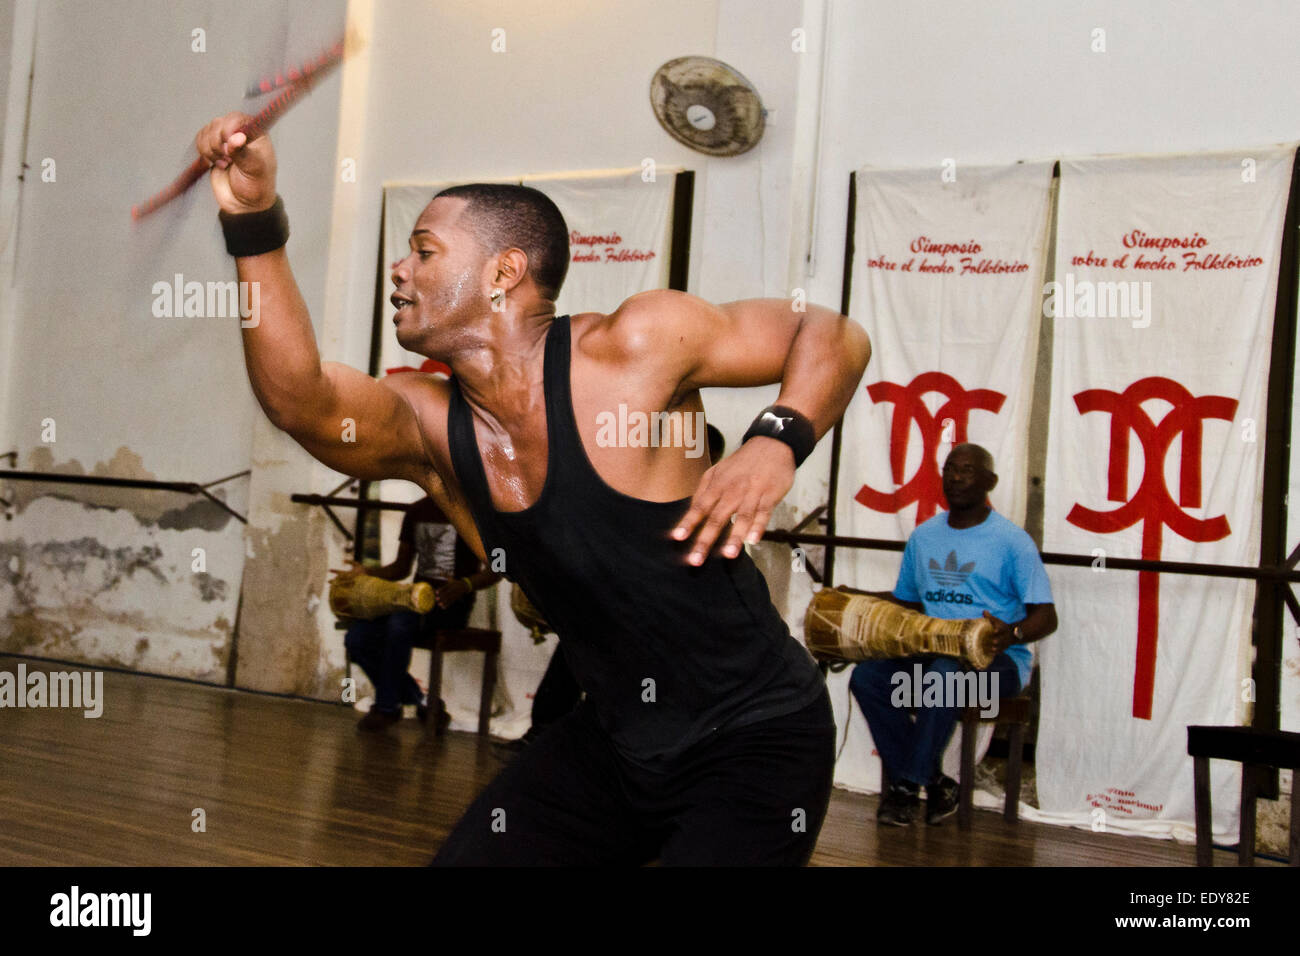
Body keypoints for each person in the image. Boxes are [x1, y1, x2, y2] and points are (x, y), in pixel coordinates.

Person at [193, 113, 871, 865]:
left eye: (423, 251)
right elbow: (299, 401)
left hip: (755, 742)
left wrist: (776, 442)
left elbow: (832, 334)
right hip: (614, 740)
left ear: (502, 273)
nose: (400, 269)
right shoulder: (427, 425)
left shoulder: (634, 348)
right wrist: (253, 221)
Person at [846, 443, 1057, 826]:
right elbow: (906, 604)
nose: (956, 478)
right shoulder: (925, 537)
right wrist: (854, 595)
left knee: (945, 672)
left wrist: (1009, 634)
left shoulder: (1012, 541)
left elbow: (1046, 617)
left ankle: (906, 789)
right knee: (868, 678)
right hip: (933, 660)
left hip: (997, 669)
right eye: (950, 469)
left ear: (990, 481)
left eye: (968, 471)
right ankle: (936, 783)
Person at [336, 495, 499, 732]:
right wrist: (366, 573)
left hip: (451, 605)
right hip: (413, 600)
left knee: (399, 623)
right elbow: (400, 568)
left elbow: (499, 568)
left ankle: (387, 708)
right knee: (357, 637)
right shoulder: (417, 511)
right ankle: (424, 702)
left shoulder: (475, 512)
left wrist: (464, 585)